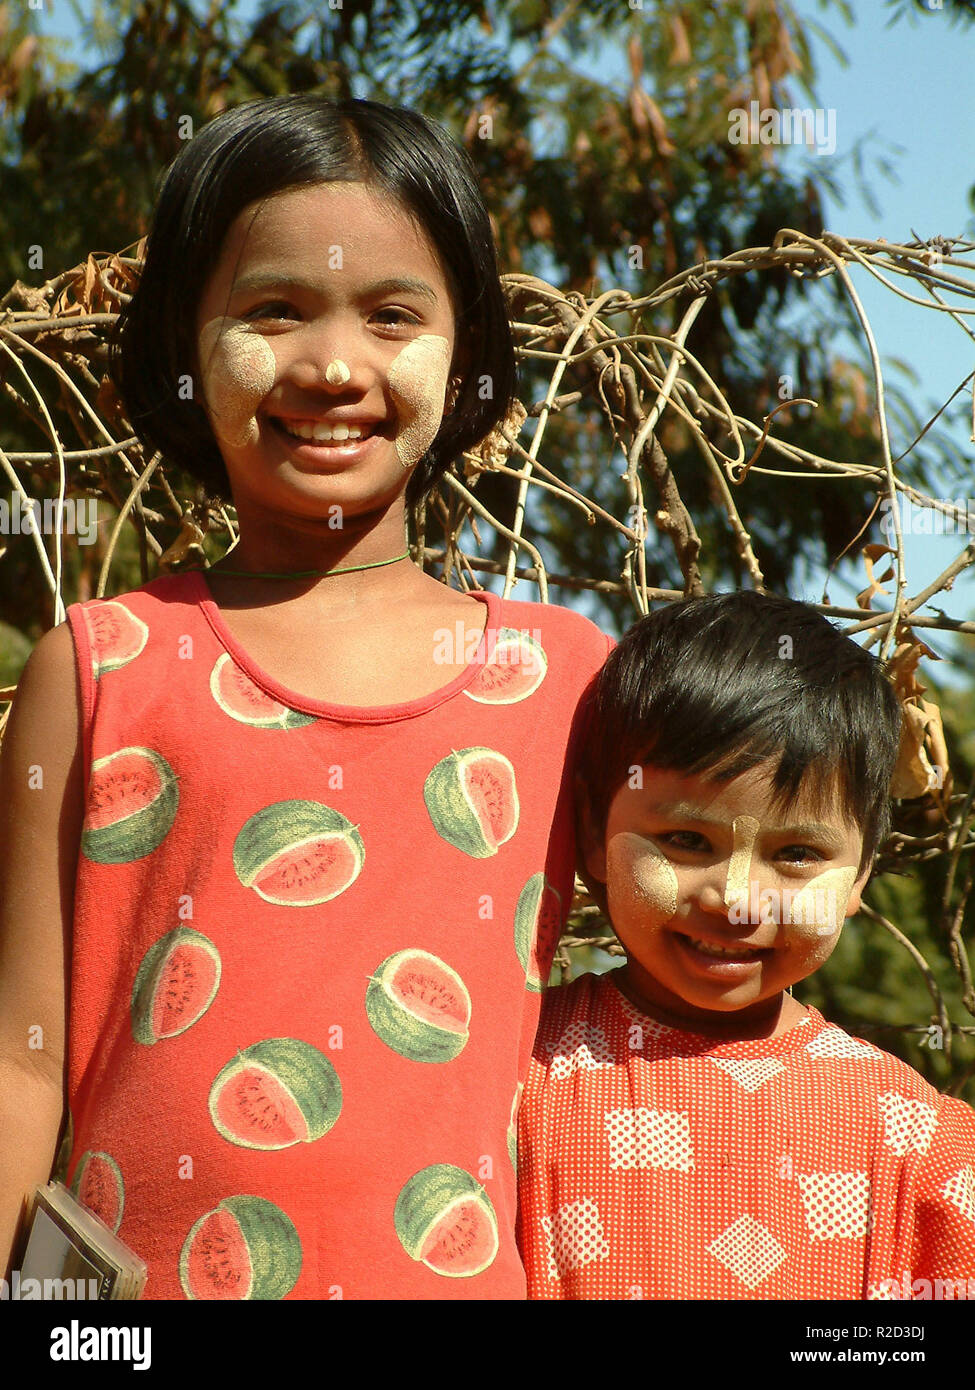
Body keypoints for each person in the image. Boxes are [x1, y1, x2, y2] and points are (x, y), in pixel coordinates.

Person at [0, 94, 613, 1300]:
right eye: (274, 310)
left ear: (468, 353)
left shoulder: (567, 680)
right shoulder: (98, 667)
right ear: (185, 344)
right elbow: (23, 1058)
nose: (334, 365)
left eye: (393, 315)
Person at [517, 591, 975, 1299]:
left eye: (796, 854)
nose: (737, 899)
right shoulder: (512, 1074)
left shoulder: (920, 1143)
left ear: (860, 874)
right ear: (592, 832)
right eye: (685, 840)